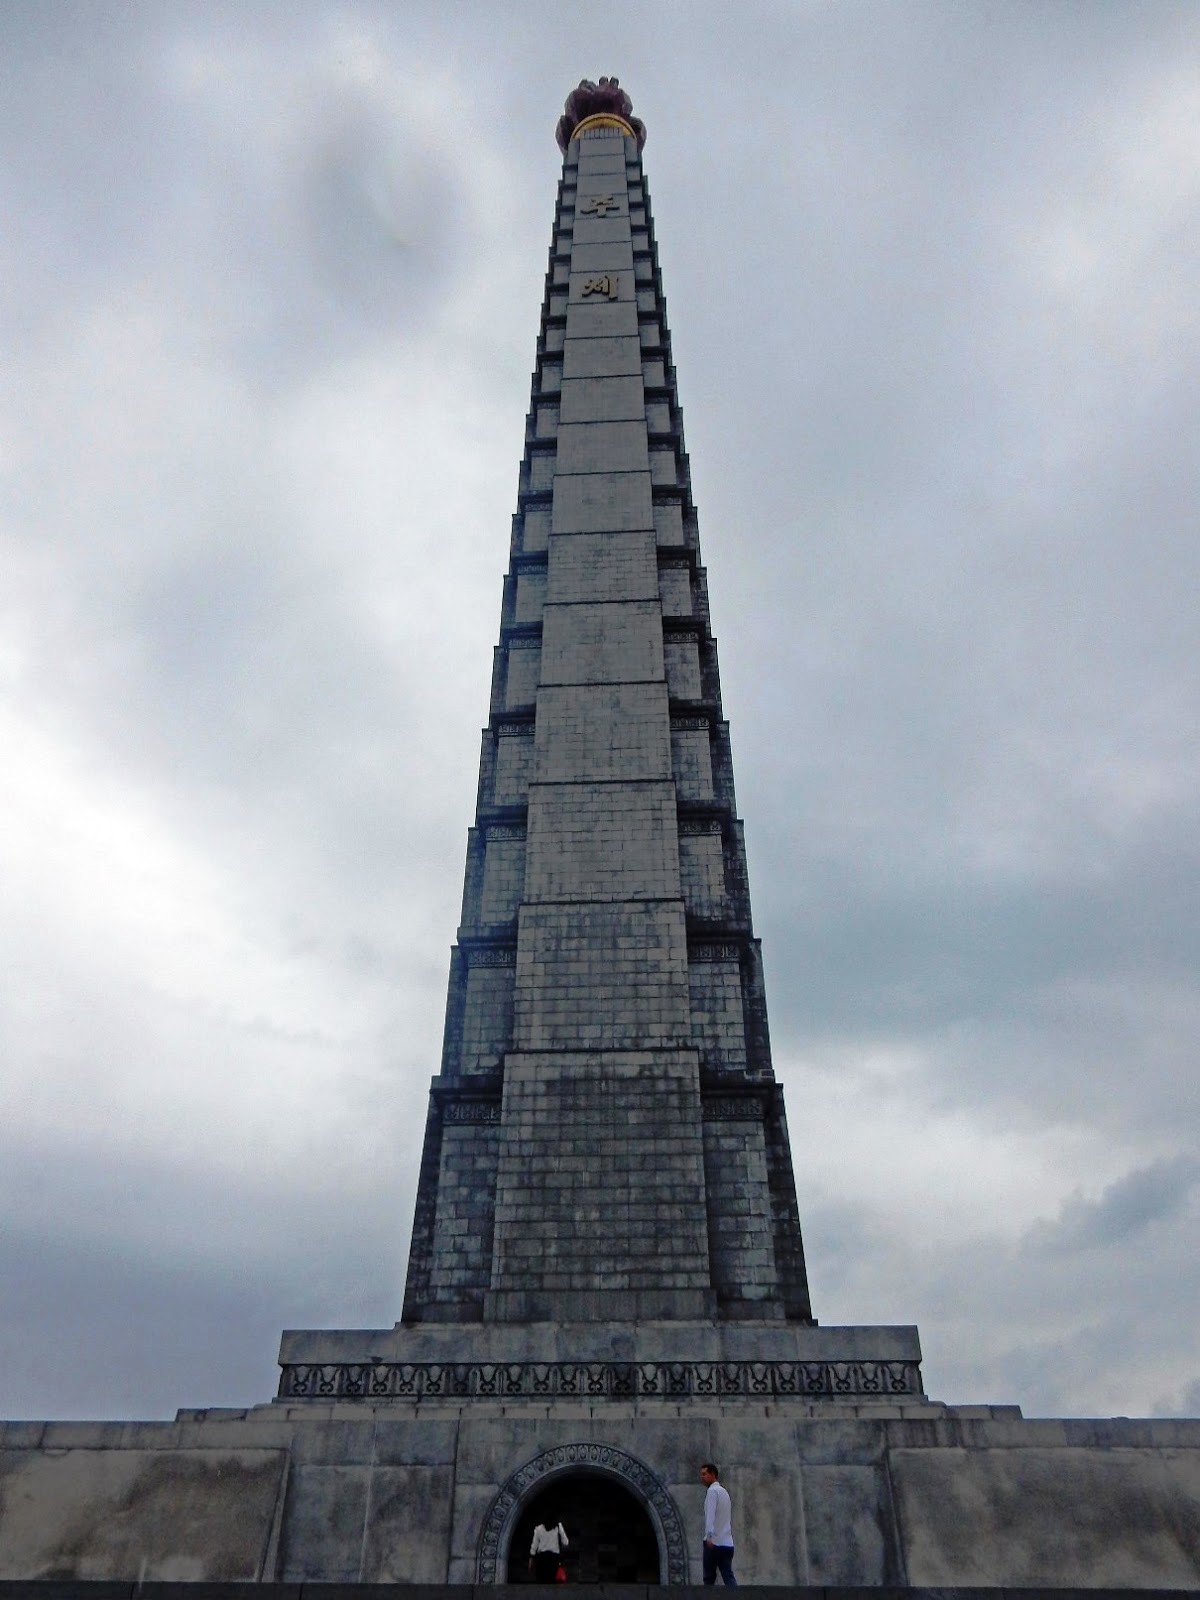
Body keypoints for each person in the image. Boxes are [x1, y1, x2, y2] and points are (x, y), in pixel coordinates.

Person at [699, 1462, 737, 1586]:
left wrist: (709, 1536)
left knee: (709, 1578)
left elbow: (710, 1516)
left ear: (713, 1474)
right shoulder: (724, 1492)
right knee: (728, 1576)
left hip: (714, 1542)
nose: (702, 1477)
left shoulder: (712, 1492)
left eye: (704, 1474)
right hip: (727, 1543)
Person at [528, 1515, 569, 1582]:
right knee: (553, 1582)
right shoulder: (558, 1526)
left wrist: (531, 1559)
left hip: (541, 1559)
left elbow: (534, 1546)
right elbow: (566, 1542)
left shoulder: (538, 1528)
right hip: (554, 1559)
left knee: (541, 1581)